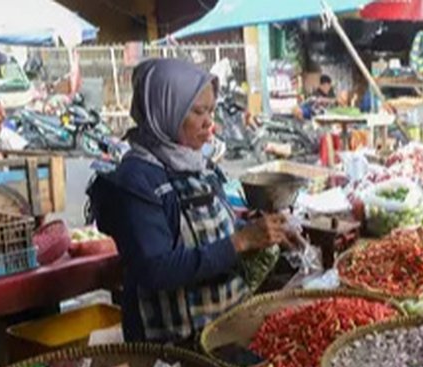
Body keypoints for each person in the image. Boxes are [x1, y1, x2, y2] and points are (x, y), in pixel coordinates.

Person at [88, 58, 299, 343]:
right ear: (167, 112)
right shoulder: (137, 179)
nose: (209, 122)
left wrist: (258, 229)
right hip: (173, 344)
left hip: (221, 326)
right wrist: (241, 242)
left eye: (211, 111)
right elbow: (154, 269)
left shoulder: (199, 163)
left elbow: (214, 225)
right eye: (198, 112)